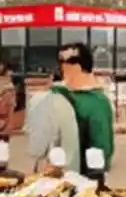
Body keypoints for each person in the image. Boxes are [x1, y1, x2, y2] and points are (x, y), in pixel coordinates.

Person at [48, 43, 115, 175]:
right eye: (60, 61)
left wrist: (96, 174)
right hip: (53, 171)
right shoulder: (55, 93)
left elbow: (102, 144)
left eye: (69, 61)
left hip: (83, 174)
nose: (63, 66)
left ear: (81, 65)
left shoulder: (97, 102)